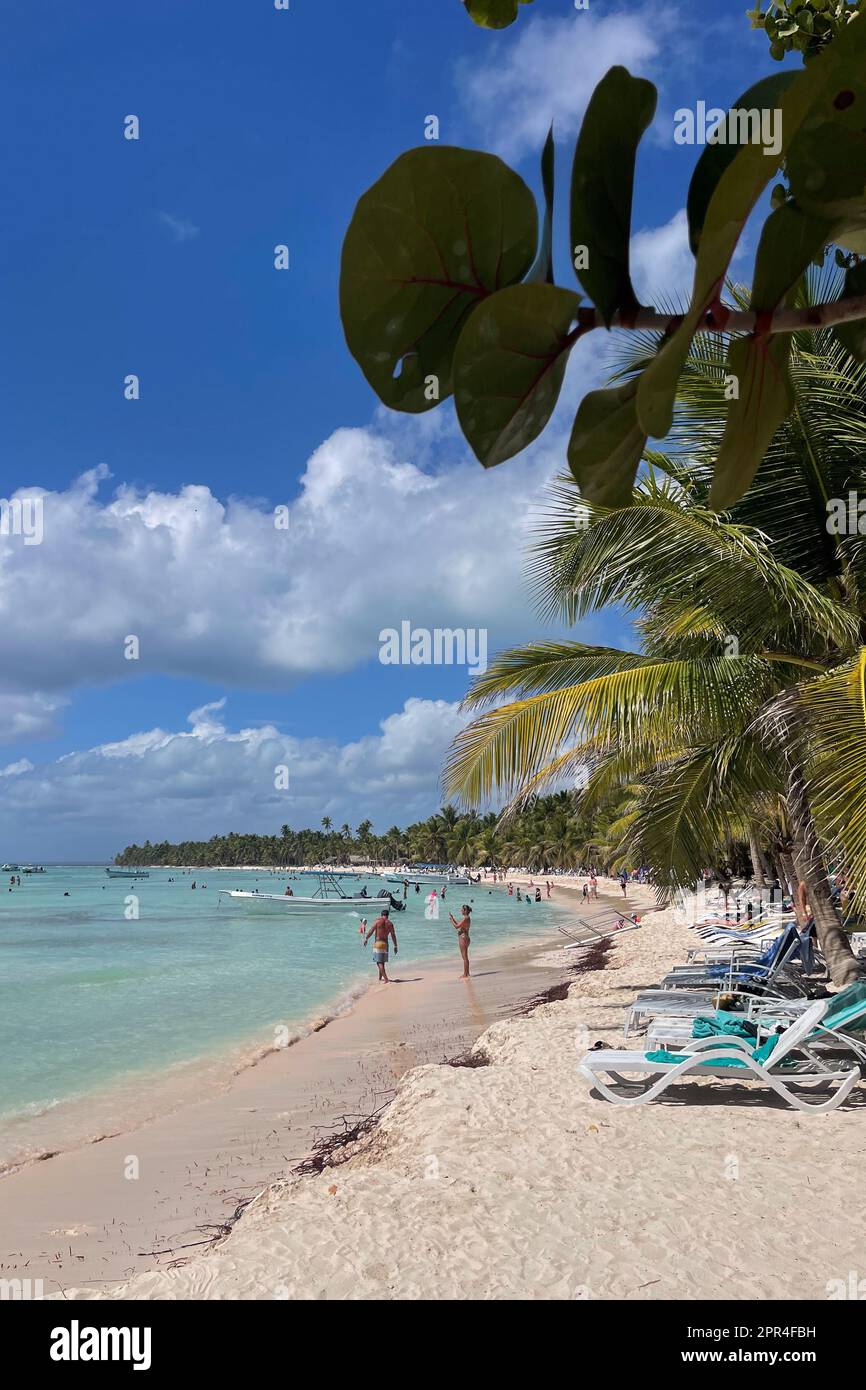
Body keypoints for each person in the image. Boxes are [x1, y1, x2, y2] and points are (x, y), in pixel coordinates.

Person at [364, 907, 397, 982]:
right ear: (388, 915)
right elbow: (393, 935)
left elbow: (371, 931)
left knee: (379, 962)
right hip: (385, 944)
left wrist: (366, 939)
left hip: (378, 943)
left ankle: (386, 979)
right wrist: (395, 946)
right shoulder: (390, 924)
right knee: (382, 962)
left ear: (381, 915)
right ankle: (380, 978)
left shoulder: (377, 921)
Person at [449, 904, 472, 979]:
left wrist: (451, 920)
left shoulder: (466, 918)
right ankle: (467, 973)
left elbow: (456, 926)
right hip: (466, 937)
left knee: (464, 957)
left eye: (462, 909)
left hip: (463, 938)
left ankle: (465, 974)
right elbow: (459, 925)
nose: (461, 910)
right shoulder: (467, 918)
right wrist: (453, 918)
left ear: (465, 911)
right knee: (465, 956)